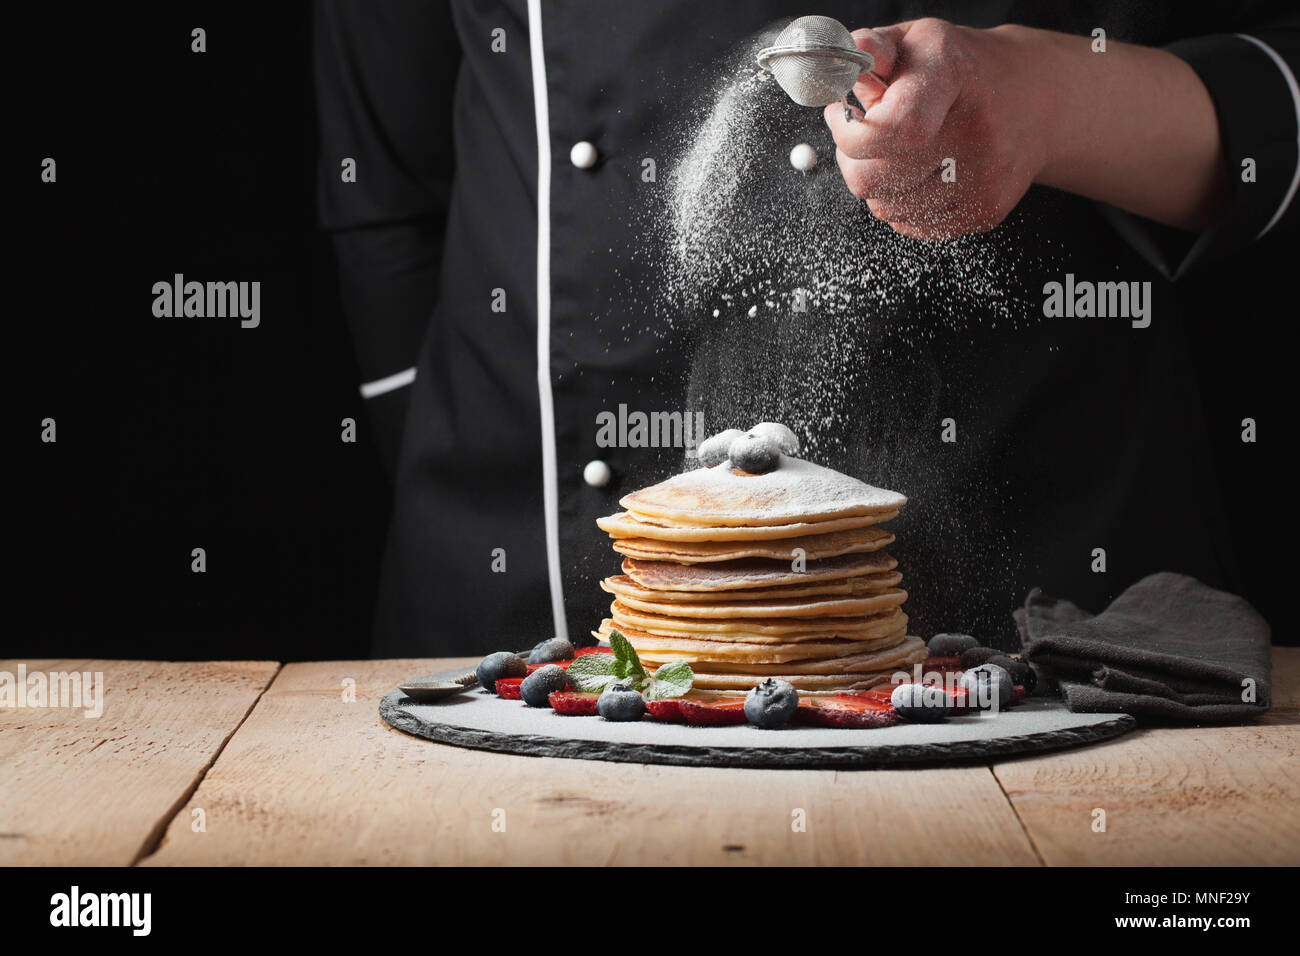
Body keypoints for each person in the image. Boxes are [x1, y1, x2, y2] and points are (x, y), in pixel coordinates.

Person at [314, 2, 1297, 656]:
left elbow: (1277, 84)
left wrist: (1053, 94)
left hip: (1051, 627)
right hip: (529, 622)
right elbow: (383, 191)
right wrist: (446, 481)